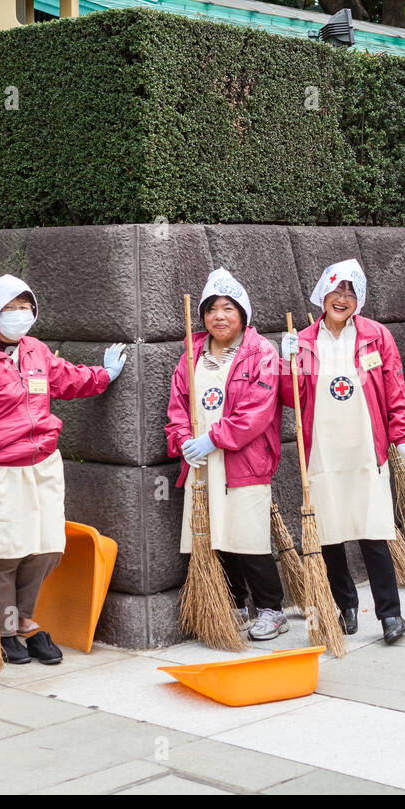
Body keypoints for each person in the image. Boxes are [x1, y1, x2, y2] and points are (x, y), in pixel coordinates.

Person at [0, 275, 125, 666]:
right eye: (11, 308)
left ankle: (24, 619)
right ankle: (6, 627)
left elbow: (68, 379)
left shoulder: (36, 351)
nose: (20, 315)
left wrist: (104, 375)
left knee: (44, 548)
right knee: (4, 555)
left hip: (42, 464)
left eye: (26, 307)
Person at [280, 259, 405, 644]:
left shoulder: (376, 336)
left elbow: (395, 389)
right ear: (322, 294)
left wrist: (402, 437)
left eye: (351, 293)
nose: (342, 299)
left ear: (360, 300)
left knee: (374, 531)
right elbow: (293, 397)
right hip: (323, 451)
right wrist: (285, 362)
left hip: (365, 449)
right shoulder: (305, 341)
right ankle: (347, 607)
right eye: (336, 291)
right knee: (331, 533)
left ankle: (391, 615)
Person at [165, 269, 286, 641]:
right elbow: (177, 407)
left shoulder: (262, 353)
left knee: (247, 538)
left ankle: (271, 609)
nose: (219, 316)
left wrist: (214, 438)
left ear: (243, 314)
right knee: (216, 537)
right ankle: (233, 605)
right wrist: (184, 440)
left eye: (228, 308)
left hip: (244, 462)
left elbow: (257, 412)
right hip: (203, 464)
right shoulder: (191, 354)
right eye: (212, 309)